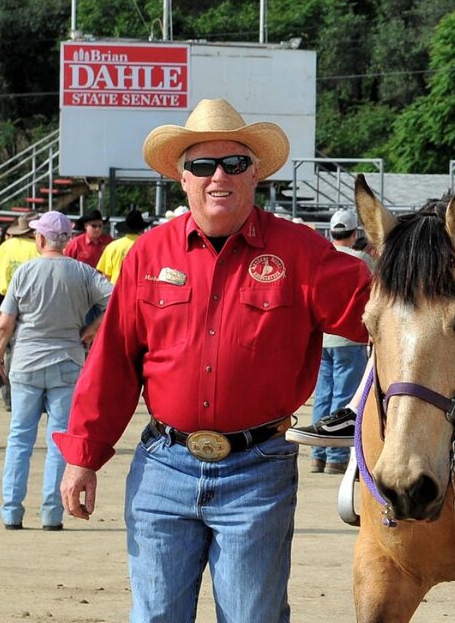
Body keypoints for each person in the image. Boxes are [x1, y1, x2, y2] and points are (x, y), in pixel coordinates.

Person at [54, 98, 371, 621]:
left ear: (256, 174)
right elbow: (111, 363)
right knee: (155, 616)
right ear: (183, 178)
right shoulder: (149, 254)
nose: (218, 176)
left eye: (234, 163)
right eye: (202, 165)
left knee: (252, 617)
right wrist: (83, 456)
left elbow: (388, 315)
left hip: (258, 471)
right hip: (162, 466)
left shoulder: (302, 253)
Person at [0, 211, 113, 531]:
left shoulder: (25, 273)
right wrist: (94, 328)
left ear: (40, 239)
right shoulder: (83, 272)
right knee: (59, 440)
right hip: (67, 363)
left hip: (26, 364)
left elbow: (4, 325)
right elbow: (116, 297)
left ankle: (12, 511)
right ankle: (51, 514)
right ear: (68, 239)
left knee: (19, 439)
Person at [305, 208, 374, 474]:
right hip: (350, 340)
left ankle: (317, 454)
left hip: (323, 338)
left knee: (322, 395)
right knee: (344, 396)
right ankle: (336, 456)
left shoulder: (322, 258)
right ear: (354, 233)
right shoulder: (362, 259)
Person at [0, 212, 43, 411]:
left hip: (7, 301)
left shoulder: (5, 247)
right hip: (35, 303)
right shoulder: (40, 249)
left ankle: (10, 398)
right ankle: (33, 397)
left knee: (8, 350)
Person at [95, 210, 149, 283]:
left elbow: (106, 275)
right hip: (139, 290)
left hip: (116, 289)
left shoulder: (112, 246)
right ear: (142, 230)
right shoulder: (148, 247)